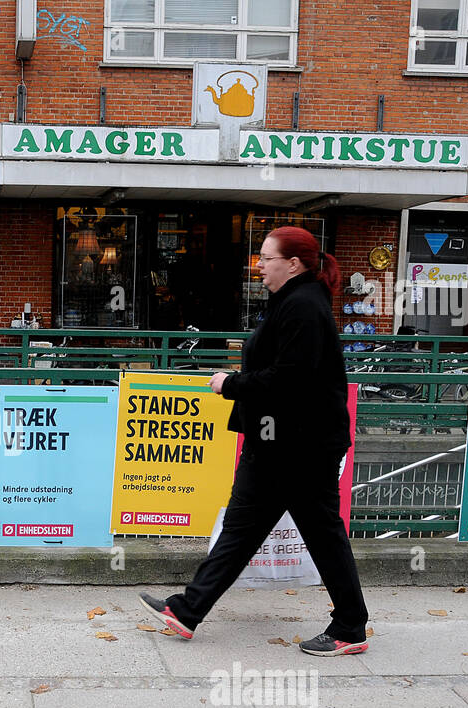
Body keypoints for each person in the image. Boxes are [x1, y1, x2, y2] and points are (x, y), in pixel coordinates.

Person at [139, 225, 370, 657]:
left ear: (294, 263)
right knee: (248, 530)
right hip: (281, 441)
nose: (258, 265)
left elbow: (291, 380)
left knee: (317, 534)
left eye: (266, 258)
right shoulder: (293, 302)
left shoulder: (303, 307)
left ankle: (351, 627)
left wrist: (232, 383)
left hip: (297, 447)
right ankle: (187, 611)